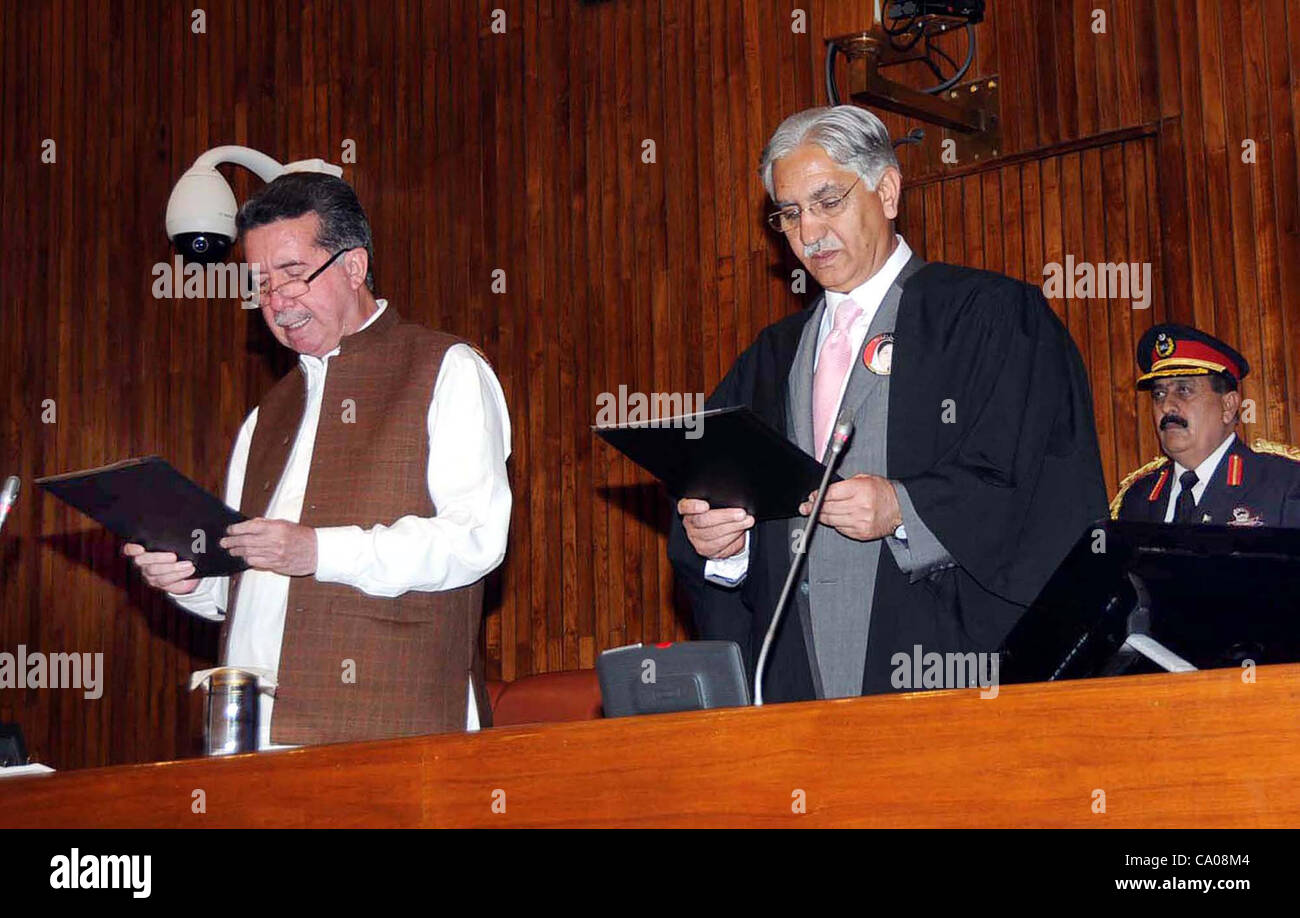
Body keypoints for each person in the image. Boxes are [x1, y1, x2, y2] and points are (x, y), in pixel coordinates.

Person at [668, 105, 1107, 703]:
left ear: (889, 191)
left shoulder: (990, 318)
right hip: (798, 687)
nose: (810, 233)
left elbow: (1038, 490)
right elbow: (718, 500)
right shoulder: (770, 360)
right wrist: (724, 544)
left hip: (942, 672)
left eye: (828, 201)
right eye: (790, 214)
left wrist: (905, 509)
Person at [124, 173, 512, 747]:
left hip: (390, 729)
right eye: (261, 283)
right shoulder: (264, 417)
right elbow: (242, 588)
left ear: (354, 267)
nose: (277, 301)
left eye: (293, 273)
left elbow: (475, 540)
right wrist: (188, 580)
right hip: (250, 735)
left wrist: (318, 551)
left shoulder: (446, 369)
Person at [1111, 323, 1300, 526]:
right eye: (1159, 394)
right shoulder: (1137, 499)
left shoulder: (1285, 486)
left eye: (1184, 390)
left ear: (1228, 406)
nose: (1166, 406)